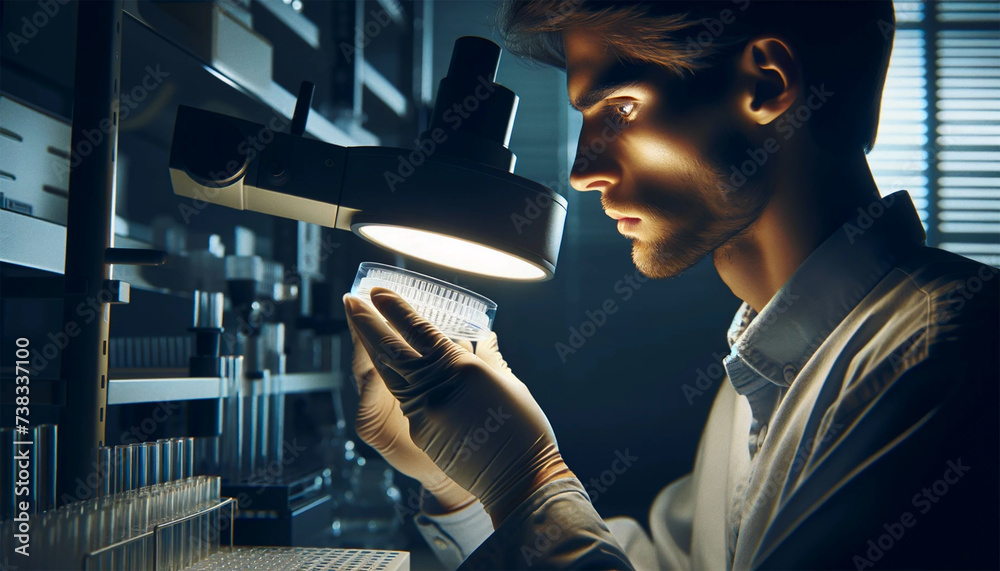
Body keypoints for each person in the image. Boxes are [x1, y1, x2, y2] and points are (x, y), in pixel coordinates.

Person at [343, 1, 1000, 569]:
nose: (581, 170)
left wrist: (527, 476)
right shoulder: (767, 371)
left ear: (767, 85)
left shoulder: (945, 357)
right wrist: (466, 483)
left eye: (620, 108)